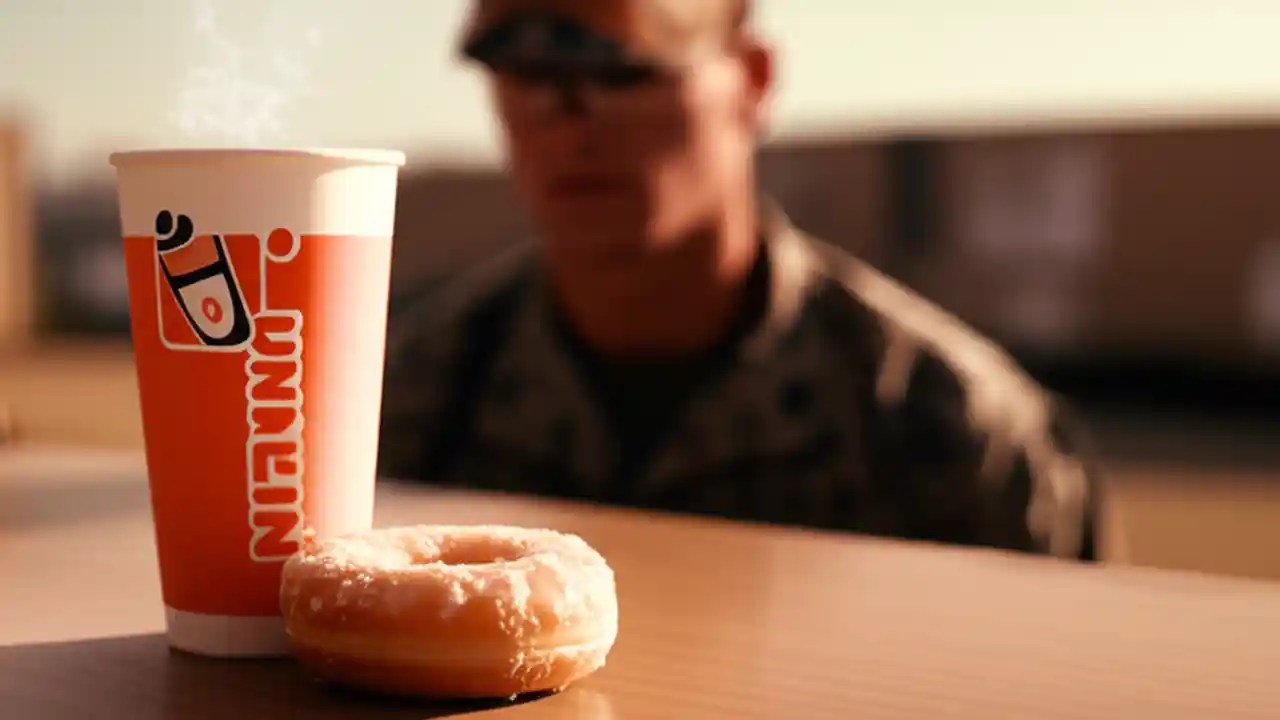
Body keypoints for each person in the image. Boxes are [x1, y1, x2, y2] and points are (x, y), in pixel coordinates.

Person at [379, 0, 1100, 561]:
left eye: (626, 71)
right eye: (525, 75)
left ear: (752, 82)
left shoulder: (955, 432)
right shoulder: (411, 399)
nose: (570, 128)